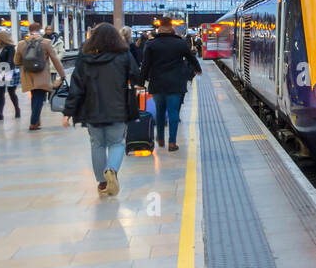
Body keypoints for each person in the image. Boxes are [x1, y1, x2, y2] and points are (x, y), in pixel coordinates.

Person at [63, 23, 140, 196]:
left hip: (92, 108)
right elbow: (136, 75)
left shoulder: (85, 57)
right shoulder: (123, 54)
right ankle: (111, 169)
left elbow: (76, 84)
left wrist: (68, 112)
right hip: (118, 107)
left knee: (97, 144)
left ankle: (102, 183)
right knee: (117, 143)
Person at [140, 22, 201, 151]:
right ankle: (172, 142)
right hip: (175, 83)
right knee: (174, 112)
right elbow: (191, 58)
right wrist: (198, 69)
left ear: (159, 31)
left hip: (157, 83)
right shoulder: (180, 43)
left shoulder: (151, 44)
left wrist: (141, 82)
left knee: (160, 111)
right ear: (172, 31)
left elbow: (145, 65)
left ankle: (160, 138)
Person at [14, 22, 66, 130]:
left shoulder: (21, 44)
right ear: (40, 30)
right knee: (39, 97)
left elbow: (16, 61)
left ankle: (36, 121)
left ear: (29, 31)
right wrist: (62, 75)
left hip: (28, 75)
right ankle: (33, 122)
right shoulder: (46, 42)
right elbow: (55, 60)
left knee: (35, 97)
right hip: (42, 74)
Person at [0, 30, 20, 121]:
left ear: (2, 38)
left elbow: (11, 61)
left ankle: (17, 109)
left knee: (11, 92)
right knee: (0, 93)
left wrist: (5, 71)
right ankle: (0, 113)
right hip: (0, 72)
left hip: (9, 72)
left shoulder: (10, 48)